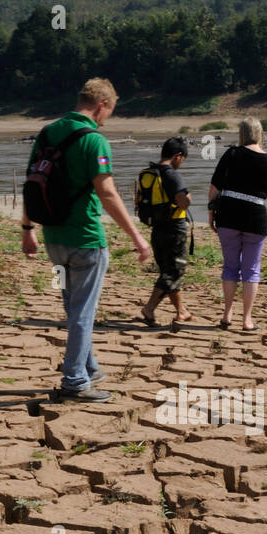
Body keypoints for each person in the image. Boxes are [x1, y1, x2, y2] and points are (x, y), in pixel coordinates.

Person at [21, 77, 150, 402]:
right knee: (83, 313)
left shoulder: (47, 133)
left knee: (73, 308)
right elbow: (107, 193)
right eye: (110, 111)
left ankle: (88, 367)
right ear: (102, 105)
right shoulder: (95, 140)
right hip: (86, 241)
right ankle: (76, 382)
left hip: (54, 241)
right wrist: (137, 237)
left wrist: (27, 229)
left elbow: (32, 182)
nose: (108, 118)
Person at [208, 117, 267, 332]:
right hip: (255, 217)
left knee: (230, 266)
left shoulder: (231, 154)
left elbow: (214, 187)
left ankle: (227, 314)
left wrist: (211, 214)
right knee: (251, 270)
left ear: (241, 133)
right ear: (260, 134)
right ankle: (247, 320)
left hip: (228, 215)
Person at [140, 136, 194, 328]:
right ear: (178, 156)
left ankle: (181, 311)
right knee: (175, 269)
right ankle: (149, 308)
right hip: (174, 229)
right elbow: (183, 202)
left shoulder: (149, 172)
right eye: (183, 159)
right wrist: (189, 197)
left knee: (168, 271)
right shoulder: (171, 174)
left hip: (157, 229)